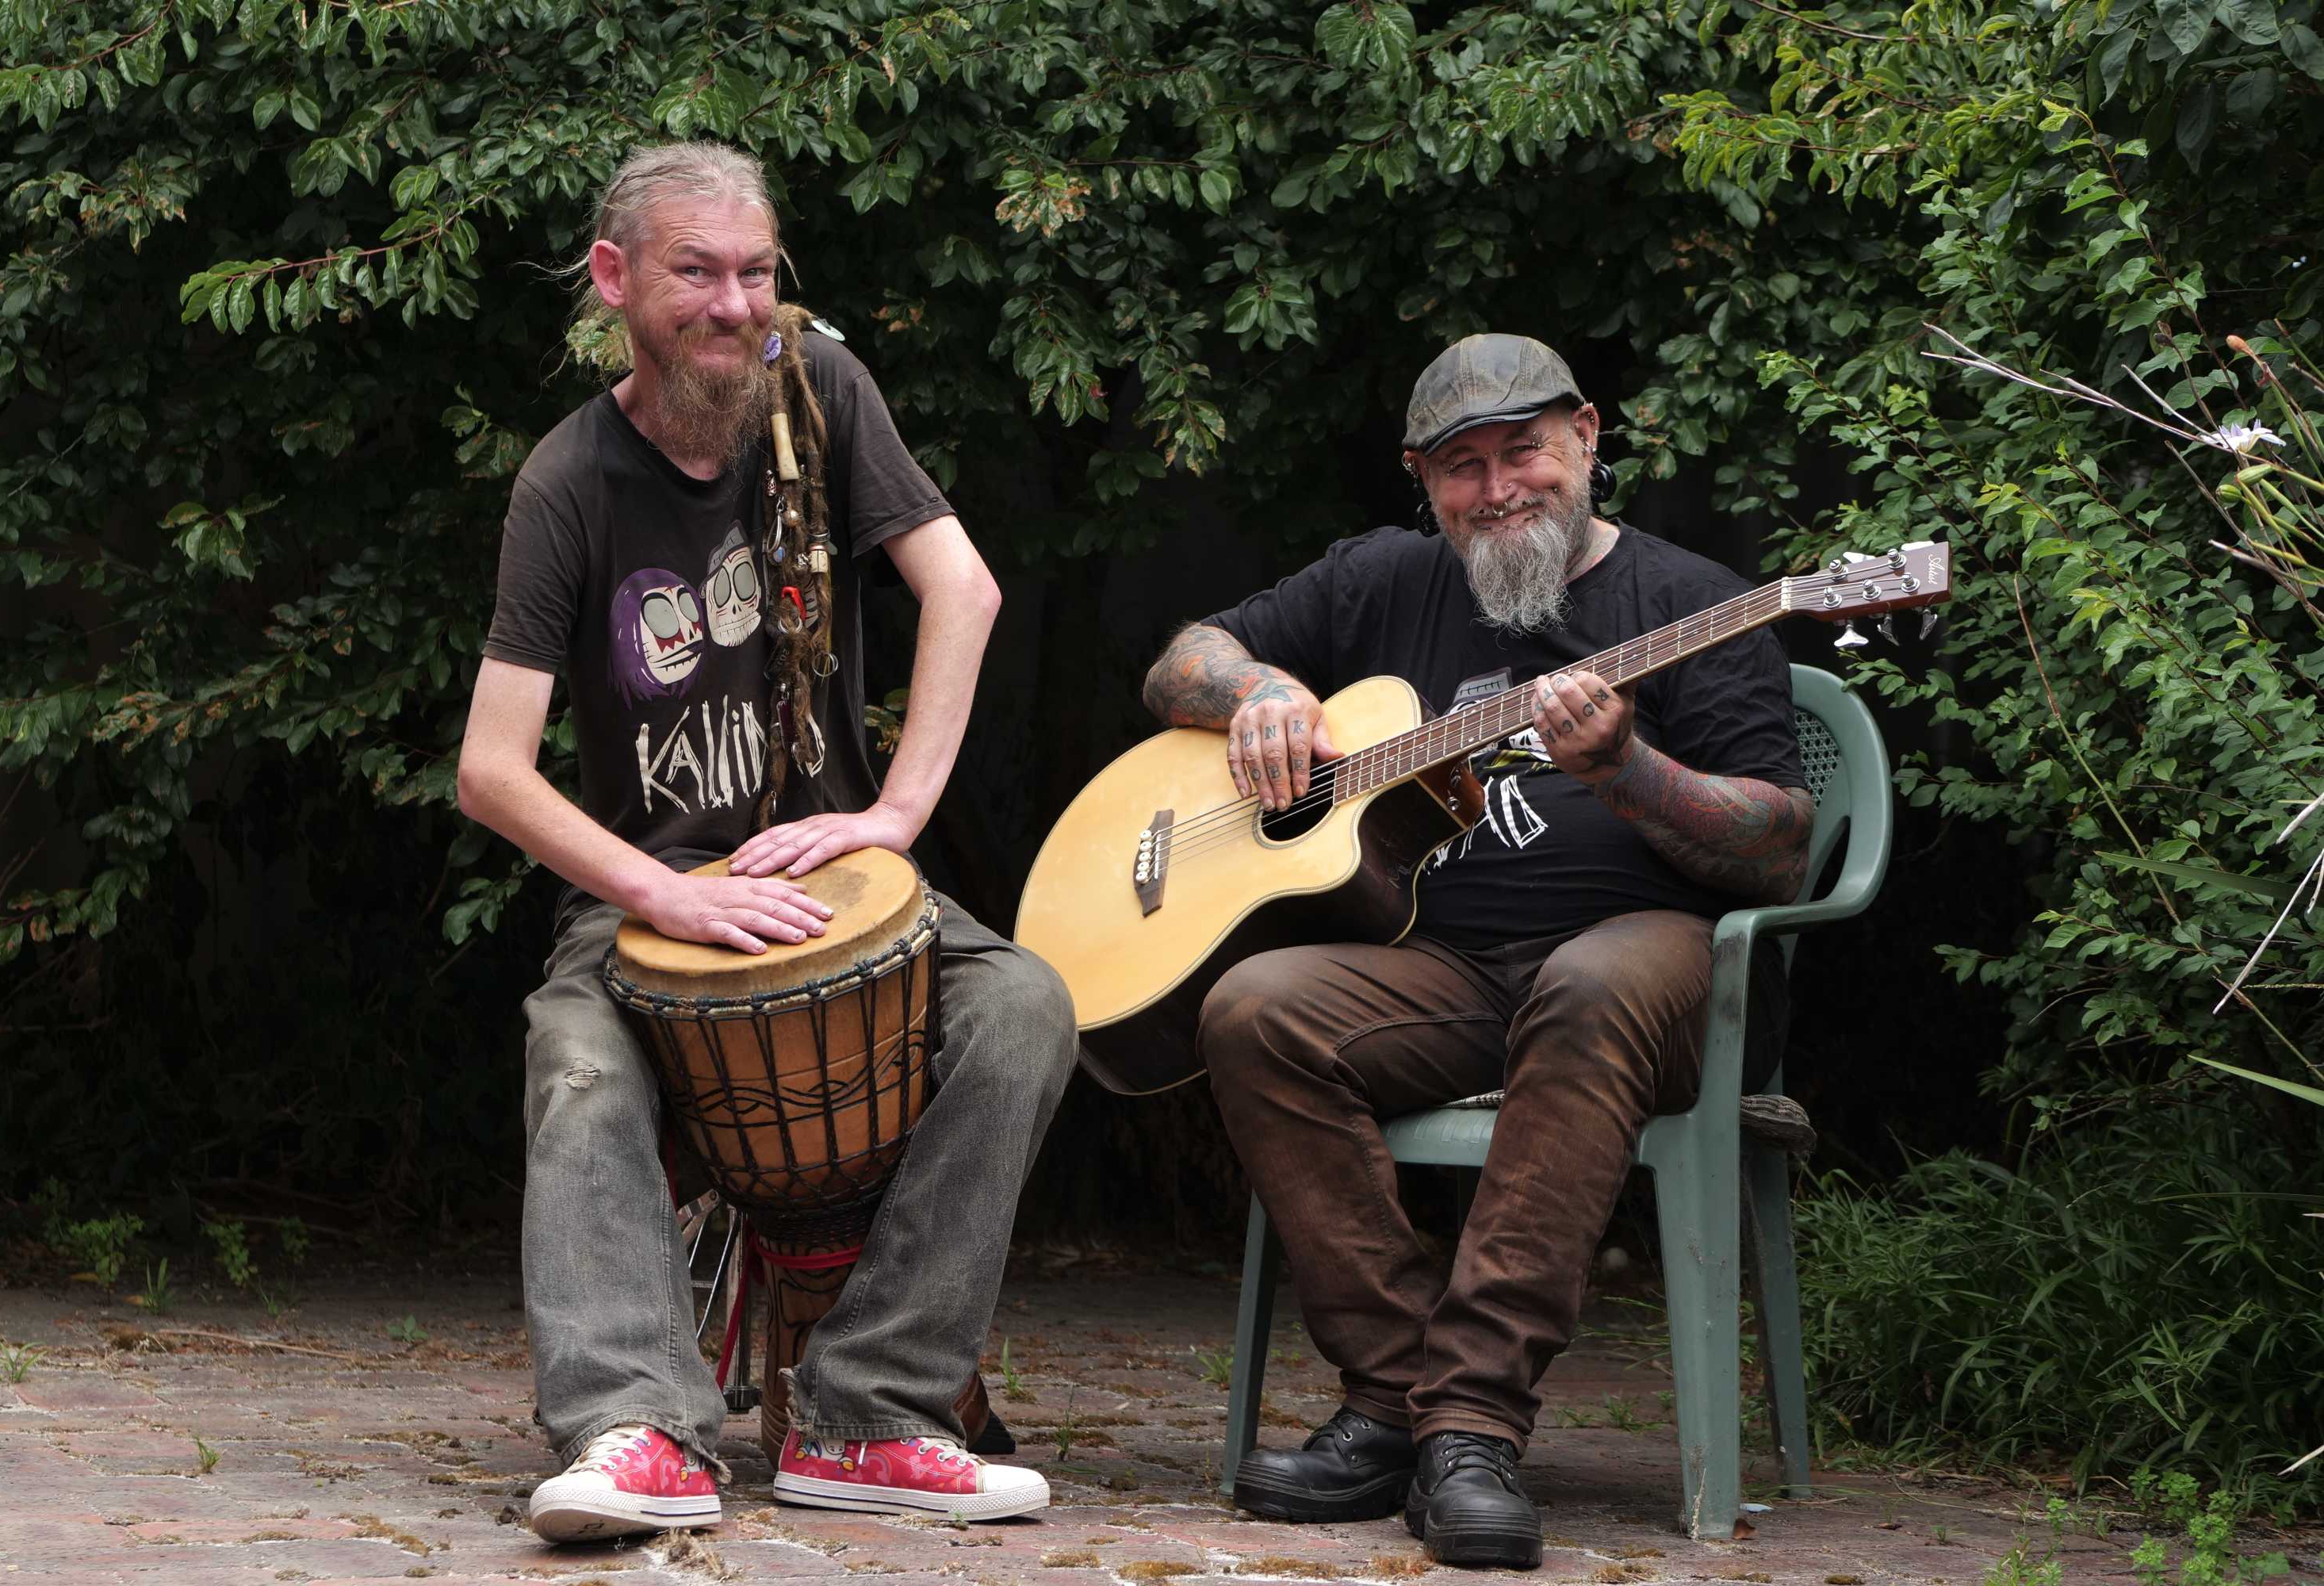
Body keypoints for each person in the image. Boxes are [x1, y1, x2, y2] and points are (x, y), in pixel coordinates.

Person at [458, 142, 1077, 1544]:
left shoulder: (824, 395)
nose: (735, 304)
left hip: (840, 885)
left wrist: (896, 818)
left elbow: (961, 593)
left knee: (1026, 1005)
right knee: (572, 1061)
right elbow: (491, 772)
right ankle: (635, 1429)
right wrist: (661, 888)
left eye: (755, 271)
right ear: (616, 280)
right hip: (639, 901)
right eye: (697, 272)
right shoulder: (570, 482)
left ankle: (871, 1412)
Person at [1140, 335, 1814, 1568]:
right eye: (1463, 466)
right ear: (1422, 478)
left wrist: (1630, 768)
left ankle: (1475, 1422)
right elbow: (1181, 656)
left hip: (1647, 971)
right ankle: (1399, 1403)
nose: (1500, 489)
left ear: (1588, 436)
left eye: (1526, 452)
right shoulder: (1382, 581)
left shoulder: (1691, 603)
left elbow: (1777, 849)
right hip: (1443, 964)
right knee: (1256, 1007)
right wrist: (1259, 697)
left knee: (1592, 981)